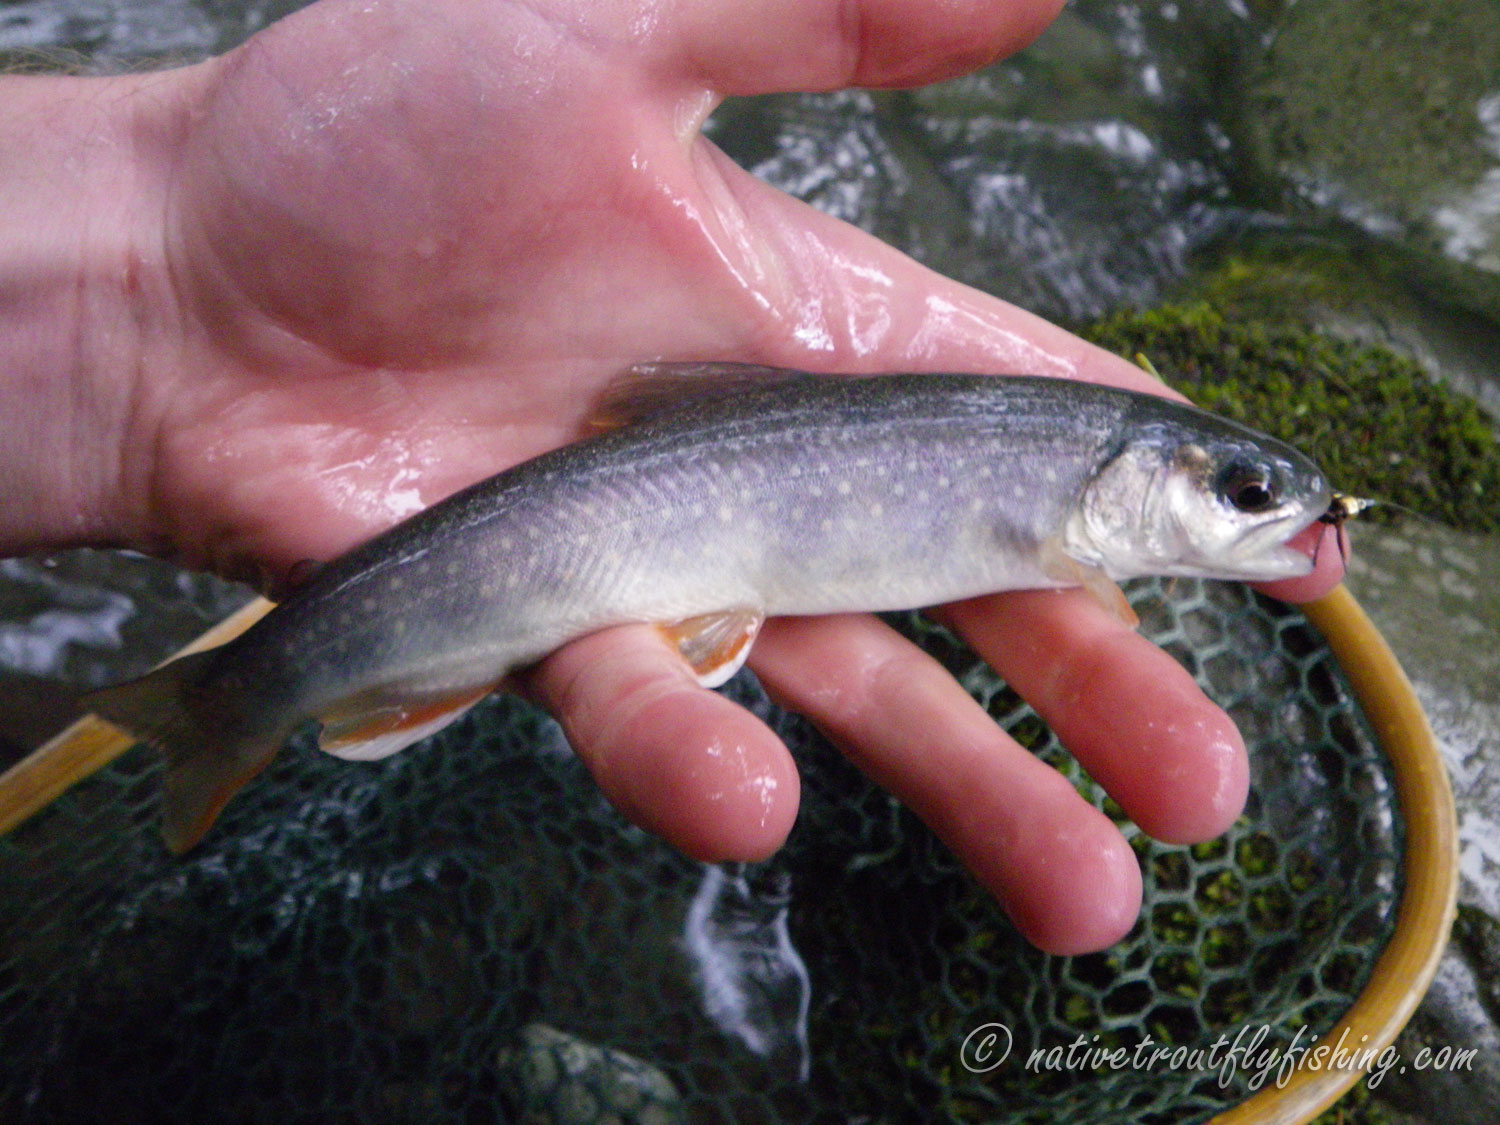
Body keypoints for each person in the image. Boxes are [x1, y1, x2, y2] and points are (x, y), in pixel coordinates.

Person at [0, 0, 1343, 954]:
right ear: (1136, 471)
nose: (1273, 520)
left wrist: (147, 259)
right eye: (1240, 491)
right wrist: (160, 249)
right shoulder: (1068, 469)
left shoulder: (1076, 473)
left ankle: (226, 702)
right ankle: (229, 702)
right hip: (628, 517)